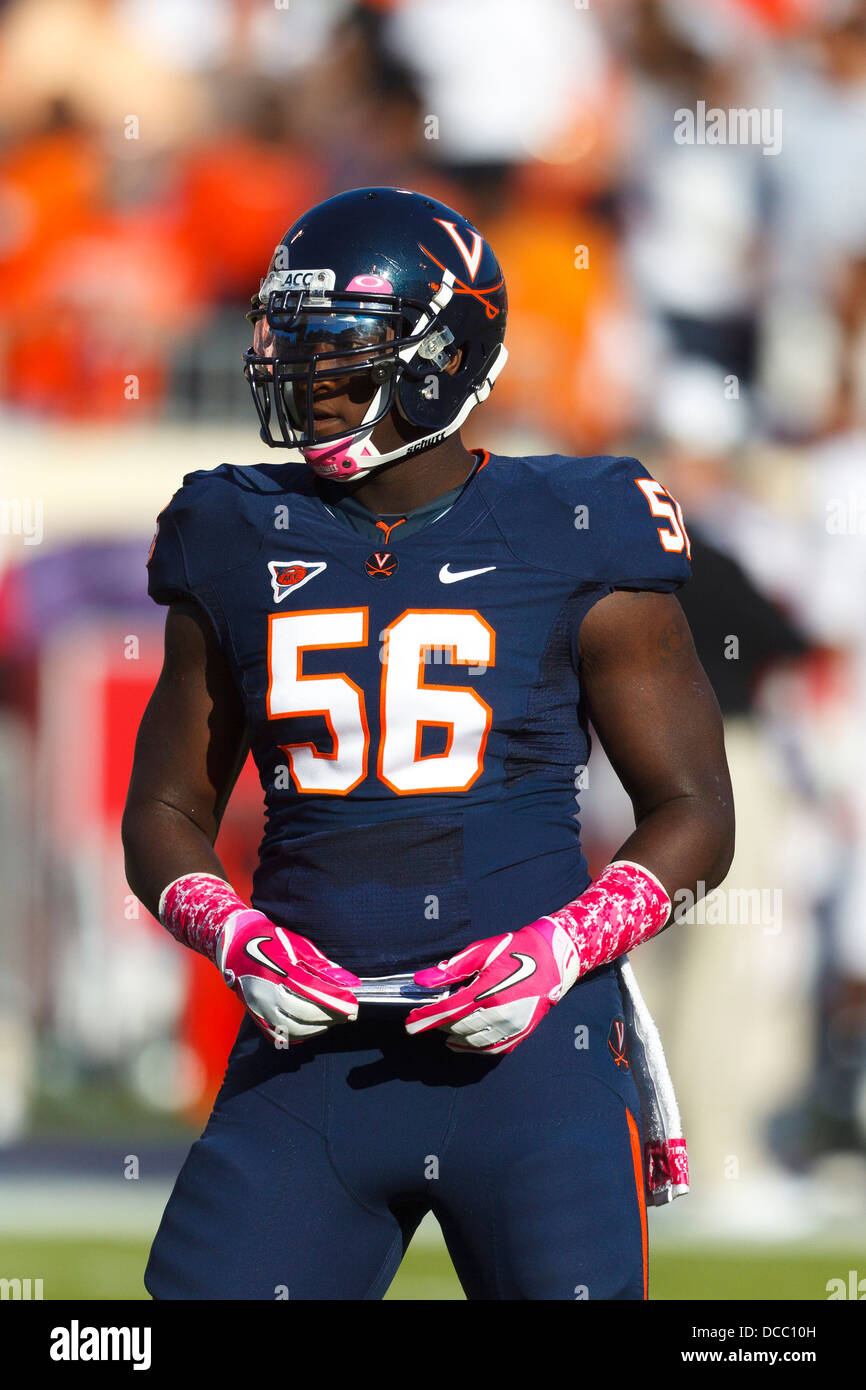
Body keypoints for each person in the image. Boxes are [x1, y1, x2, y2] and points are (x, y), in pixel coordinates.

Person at [122, 186, 734, 1300]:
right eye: (288, 346)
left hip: (531, 1054)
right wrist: (235, 935)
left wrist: (562, 946)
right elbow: (165, 812)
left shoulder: (580, 521)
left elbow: (694, 809)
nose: (300, 380)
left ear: (437, 360)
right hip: (309, 1059)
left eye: (336, 354)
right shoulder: (228, 529)